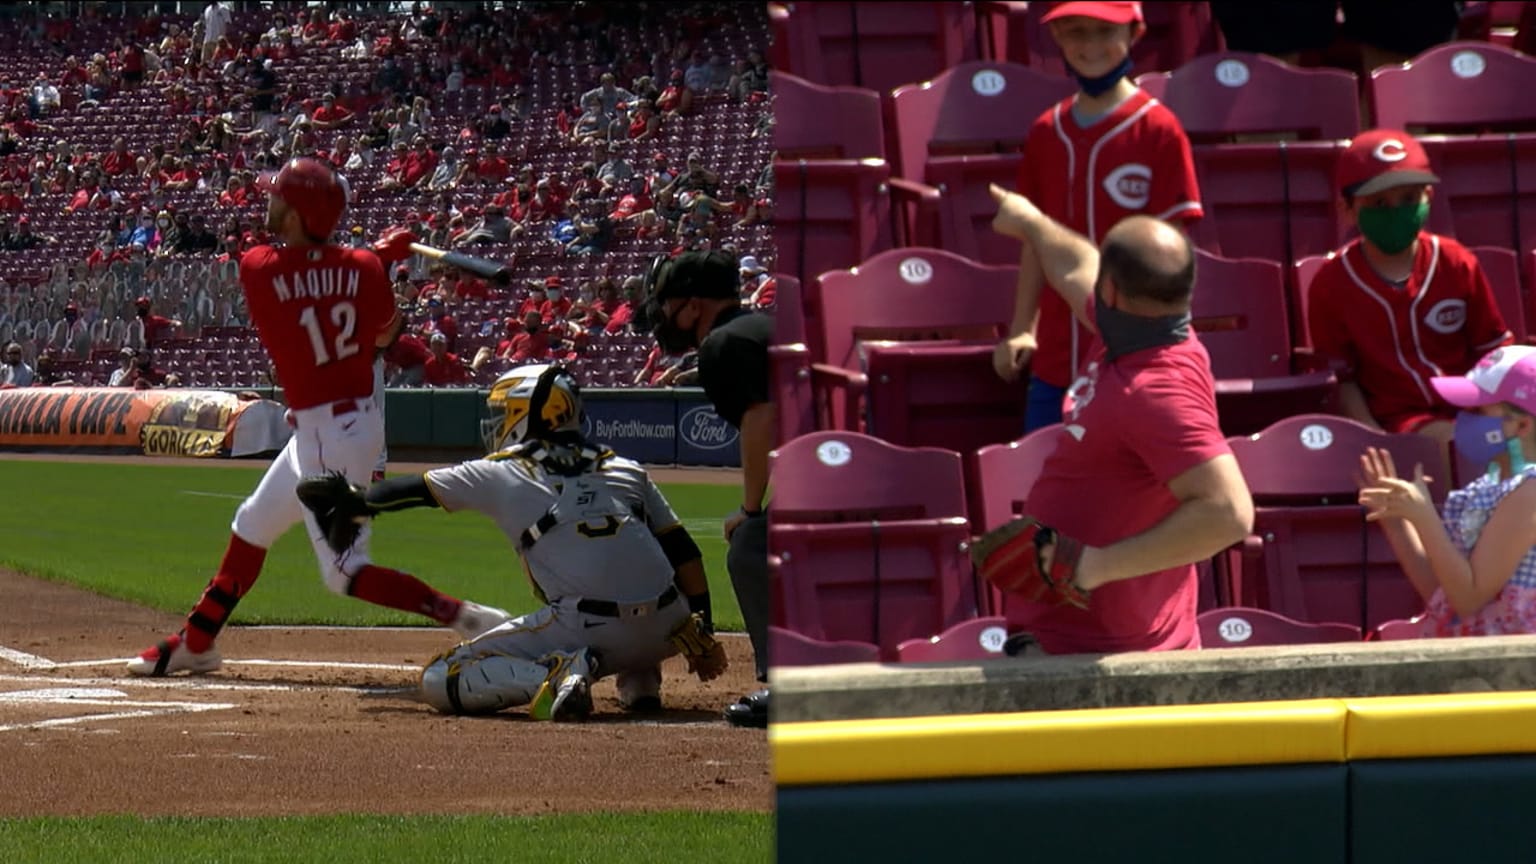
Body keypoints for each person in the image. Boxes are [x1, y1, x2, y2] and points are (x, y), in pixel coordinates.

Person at [127, 157, 511, 677]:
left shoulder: (258, 266)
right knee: (253, 524)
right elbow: (384, 335)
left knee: (345, 573)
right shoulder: (365, 269)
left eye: (279, 196)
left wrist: (371, 256)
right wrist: (381, 260)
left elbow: (309, 276)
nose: (270, 201)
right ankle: (197, 641)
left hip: (332, 434)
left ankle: (471, 619)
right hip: (333, 425)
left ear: (297, 213)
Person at [295, 364, 727, 720]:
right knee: (621, 564)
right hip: (670, 631)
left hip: (591, 628)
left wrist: (356, 501)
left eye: (507, 412)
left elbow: (414, 491)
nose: (501, 423)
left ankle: (555, 675)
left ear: (532, 414)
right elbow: (684, 551)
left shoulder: (504, 469)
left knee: (441, 676)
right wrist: (702, 628)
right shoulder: (626, 466)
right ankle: (641, 684)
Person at [973, 184, 1254, 653]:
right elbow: (1075, 264)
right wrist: (1030, 222)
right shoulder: (1135, 330)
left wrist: (1093, 566)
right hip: (1075, 636)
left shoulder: (1158, 390)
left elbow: (1229, 513)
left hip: (1111, 656)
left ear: (1111, 292)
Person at [994, 0, 1203, 433]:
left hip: (1129, 362)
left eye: (1105, 31)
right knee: (1047, 487)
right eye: (1076, 32)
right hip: (1056, 359)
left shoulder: (1160, 129)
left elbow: (1171, 262)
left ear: (1136, 32)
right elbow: (1035, 241)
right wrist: (1020, 328)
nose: (1090, 46)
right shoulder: (1046, 130)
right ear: (1055, 37)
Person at [1307, 129, 1511, 459]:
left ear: (1428, 197)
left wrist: (1499, 419)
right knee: (1453, 442)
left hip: (1474, 406)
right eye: (1378, 203)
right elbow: (1342, 379)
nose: (1396, 211)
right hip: (1399, 420)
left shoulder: (1455, 261)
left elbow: (1492, 353)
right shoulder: (1331, 283)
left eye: (1409, 199)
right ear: (1347, 207)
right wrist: (1375, 438)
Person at [643, 250, 772, 728]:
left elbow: (761, 417)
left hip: (844, 463)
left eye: (670, 304)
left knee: (752, 545)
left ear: (694, 305)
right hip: (856, 455)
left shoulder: (722, 344)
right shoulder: (760, 327)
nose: (665, 316)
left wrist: (750, 508)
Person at [1359, 345, 1536, 637]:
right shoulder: (1482, 491)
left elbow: (1469, 598)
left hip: (1516, 668)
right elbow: (1445, 594)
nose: (1464, 420)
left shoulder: (1530, 493)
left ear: (1521, 425)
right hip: (1479, 663)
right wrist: (1398, 521)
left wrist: (1425, 515)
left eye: (1477, 410)